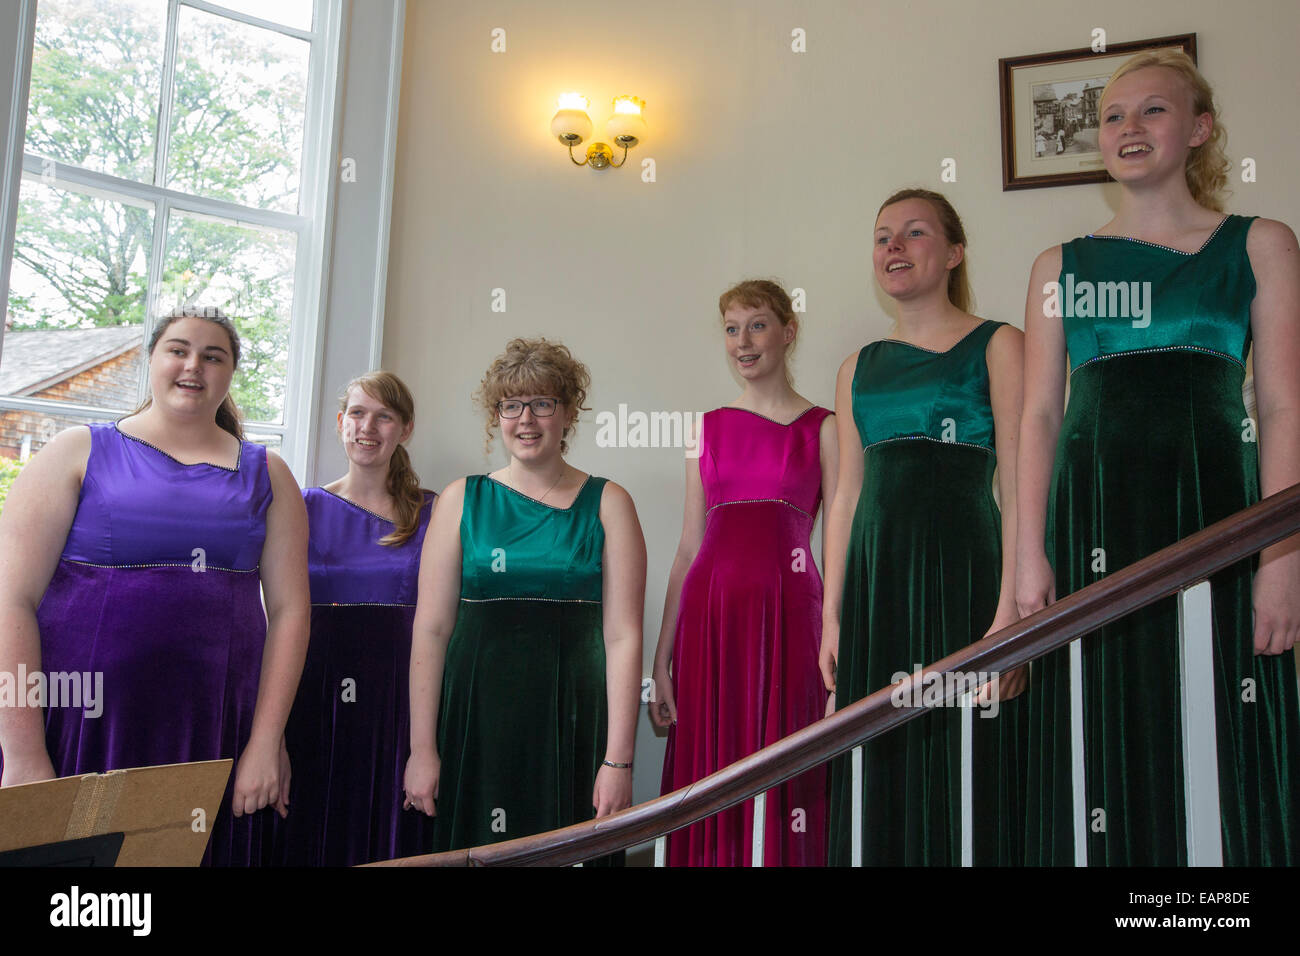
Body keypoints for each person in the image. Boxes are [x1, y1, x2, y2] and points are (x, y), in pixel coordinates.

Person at [1017, 50, 1300, 866]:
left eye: (1153, 111)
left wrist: (1281, 559)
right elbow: (1037, 417)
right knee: (1102, 721)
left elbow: (1282, 406)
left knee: (1220, 720)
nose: (1128, 128)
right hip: (1091, 522)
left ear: (1201, 129)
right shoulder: (1058, 265)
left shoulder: (1262, 244)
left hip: (1221, 514)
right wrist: (1028, 558)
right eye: (1112, 116)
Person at [0, 306, 309, 866]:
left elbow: (290, 613)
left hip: (215, 730)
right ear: (153, 361)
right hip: (81, 723)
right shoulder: (77, 450)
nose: (194, 365)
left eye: (213, 356)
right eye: (178, 349)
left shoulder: (270, 474)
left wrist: (267, 741)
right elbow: (9, 602)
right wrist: (21, 752)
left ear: (231, 373)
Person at [822, 189, 1028, 865]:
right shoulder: (857, 367)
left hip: (966, 569)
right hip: (876, 587)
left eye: (914, 233)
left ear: (954, 252)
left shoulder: (999, 344)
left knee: (967, 749)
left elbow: (1026, 480)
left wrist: (1013, 612)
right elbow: (846, 495)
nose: (894, 247)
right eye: (883, 236)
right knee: (879, 755)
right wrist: (833, 616)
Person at [403, 338, 645, 864]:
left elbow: (624, 636)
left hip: (574, 725)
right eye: (511, 405)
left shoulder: (609, 503)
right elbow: (432, 629)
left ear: (568, 412)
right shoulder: (459, 499)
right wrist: (423, 749)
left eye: (542, 403)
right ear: (497, 416)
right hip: (476, 727)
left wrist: (619, 761)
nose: (526, 419)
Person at [650, 279, 837, 866]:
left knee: (787, 750)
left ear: (789, 330)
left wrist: (836, 632)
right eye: (731, 329)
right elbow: (687, 546)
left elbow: (838, 542)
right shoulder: (704, 428)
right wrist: (661, 657)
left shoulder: (826, 427)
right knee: (713, 758)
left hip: (791, 614)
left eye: (757, 325)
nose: (743, 341)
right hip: (710, 618)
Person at [274, 371, 436, 866]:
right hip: (314, 693)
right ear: (341, 423)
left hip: (399, 698)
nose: (369, 427)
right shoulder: (301, 507)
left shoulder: (433, 512)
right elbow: (278, 616)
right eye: (359, 414)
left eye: (384, 416)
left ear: (404, 429)